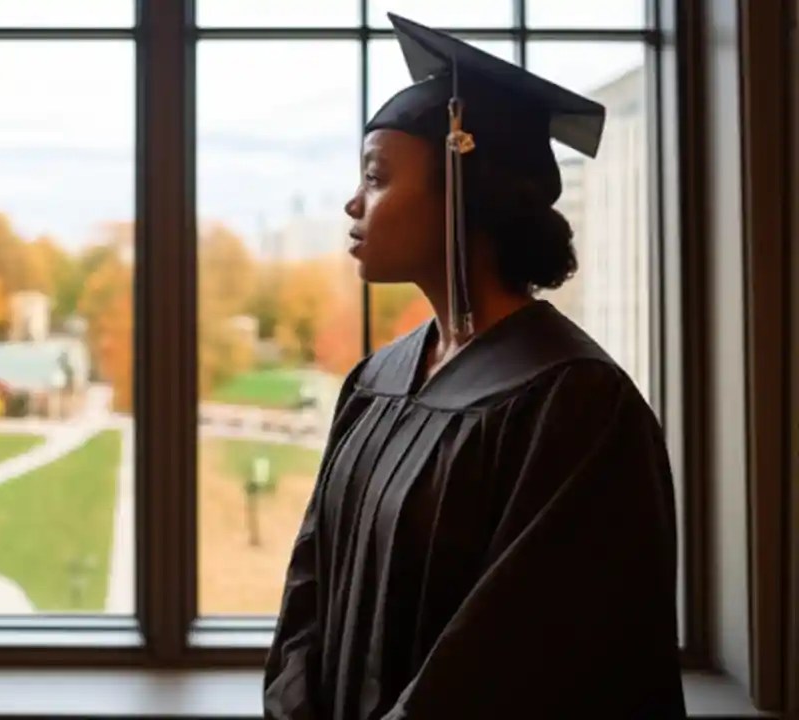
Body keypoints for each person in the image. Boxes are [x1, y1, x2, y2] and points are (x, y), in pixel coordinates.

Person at [263, 14, 685, 719]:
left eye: (376, 176)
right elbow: (308, 596)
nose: (354, 201)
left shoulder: (574, 404)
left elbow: (520, 658)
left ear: (464, 192)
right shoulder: (376, 381)